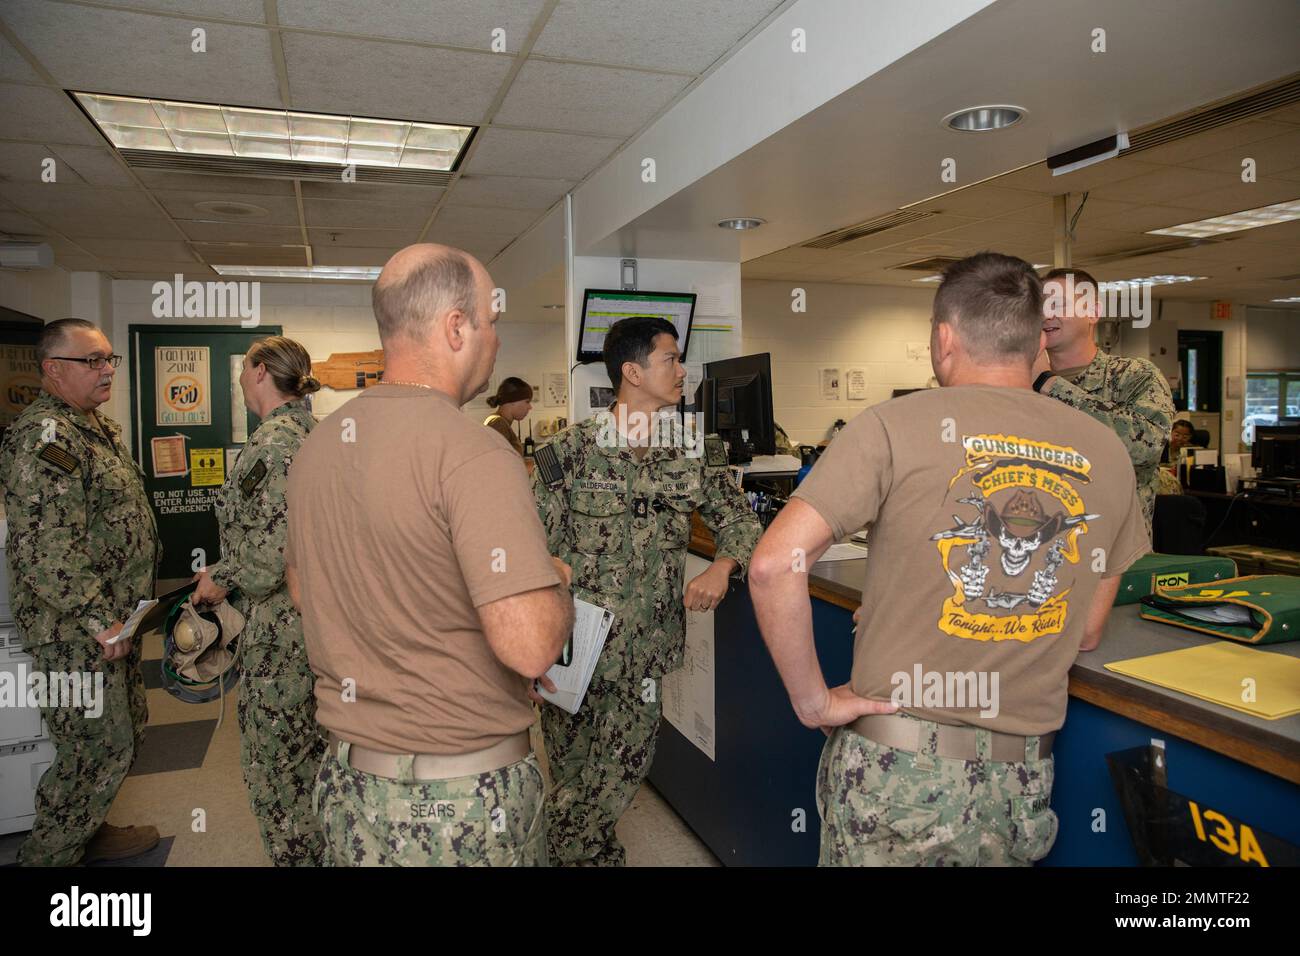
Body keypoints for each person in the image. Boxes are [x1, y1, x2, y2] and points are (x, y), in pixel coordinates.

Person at [750, 253, 1151, 866]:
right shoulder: (1107, 450)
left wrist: (814, 703)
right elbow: (1087, 629)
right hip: (1020, 785)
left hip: (896, 774)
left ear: (944, 338)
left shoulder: (891, 425)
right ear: (1034, 341)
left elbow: (775, 565)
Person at [285, 243, 573, 866]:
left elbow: (309, 590)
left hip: (349, 785)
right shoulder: (475, 453)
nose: (495, 341)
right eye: (492, 322)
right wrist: (549, 581)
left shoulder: (317, 447)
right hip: (463, 800)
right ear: (455, 327)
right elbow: (529, 646)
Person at [531, 315, 762, 866]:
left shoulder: (691, 448)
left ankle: (567, 853)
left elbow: (741, 522)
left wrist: (720, 568)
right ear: (632, 372)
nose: (683, 371)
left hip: (645, 654)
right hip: (573, 651)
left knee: (619, 773)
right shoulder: (568, 452)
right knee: (571, 774)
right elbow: (529, 548)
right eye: (671, 359)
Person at [0, 318, 160, 865]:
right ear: (52, 369)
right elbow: (44, 548)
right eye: (91, 361)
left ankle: (90, 827)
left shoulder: (91, 425)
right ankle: (49, 855)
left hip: (112, 621)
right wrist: (100, 621)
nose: (105, 370)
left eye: (108, 359)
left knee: (123, 732)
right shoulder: (46, 437)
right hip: (75, 631)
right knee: (93, 749)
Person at [190, 335, 326, 866]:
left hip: (281, 631)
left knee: (276, 769)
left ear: (261, 371)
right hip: (323, 624)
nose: (241, 381)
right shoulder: (318, 433)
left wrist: (219, 579)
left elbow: (270, 554)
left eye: (244, 371)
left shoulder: (272, 445)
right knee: (316, 753)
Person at [1033, 267, 1174, 537]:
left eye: (1059, 304)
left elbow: (1145, 450)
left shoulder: (1134, 376)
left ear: (1093, 313)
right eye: (1039, 306)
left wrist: (1050, 385)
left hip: (1115, 554)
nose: (1046, 314)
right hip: (1043, 550)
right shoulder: (1018, 385)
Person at [484, 377, 533, 457]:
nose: (530, 407)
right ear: (512, 401)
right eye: (527, 402)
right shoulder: (498, 424)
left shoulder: (495, 420)